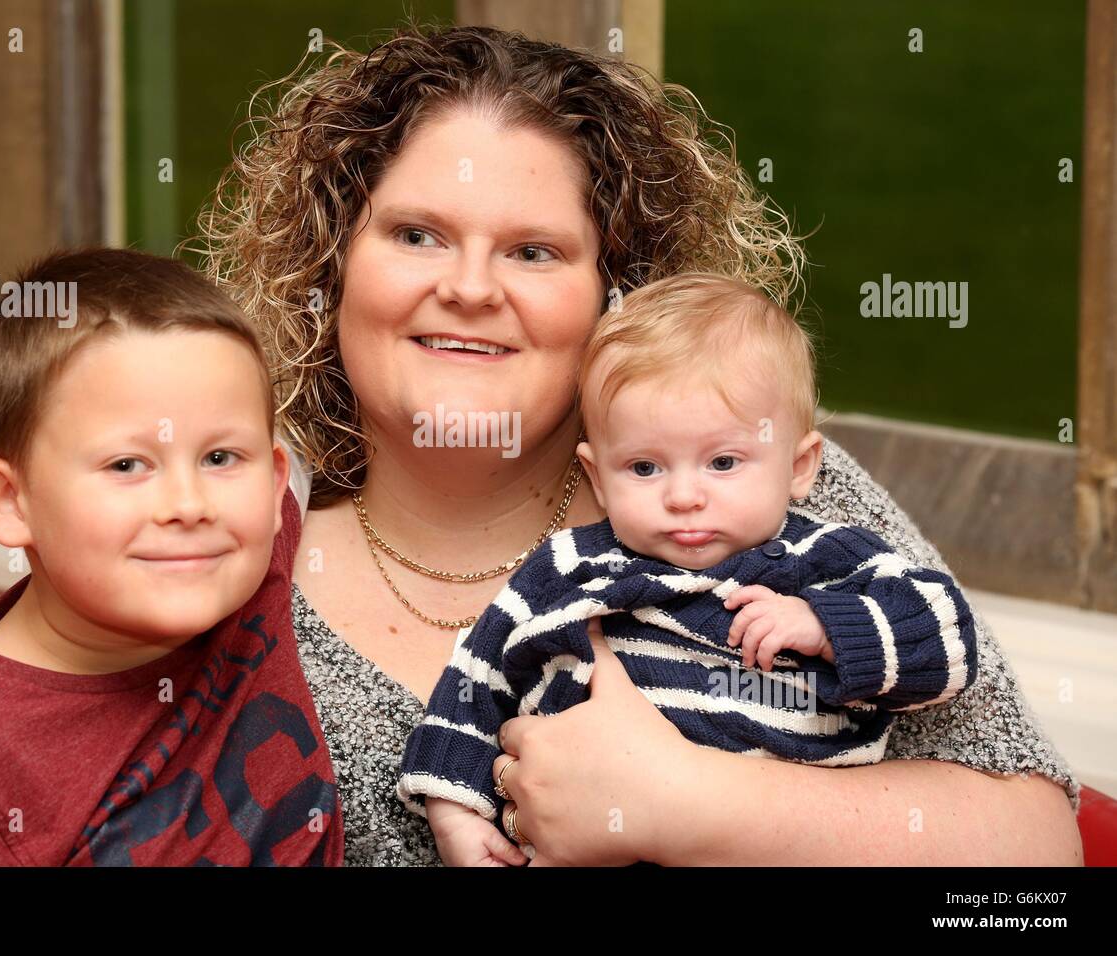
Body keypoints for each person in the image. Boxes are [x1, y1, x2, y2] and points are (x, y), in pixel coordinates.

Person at [196, 23, 1081, 866]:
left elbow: (1037, 858)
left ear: (617, 299)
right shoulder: (215, 550)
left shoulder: (759, 490)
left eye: (534, 251)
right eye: (416, 235)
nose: (468, 287)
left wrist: (688, 803)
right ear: (329, 265)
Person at [397, 273, 981, 865]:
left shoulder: (828, 562)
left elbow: (949, 639)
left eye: (722, 462)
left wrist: (827, 628)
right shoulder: (568, 568)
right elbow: (475, 680)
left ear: (800, 466)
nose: (683, 496)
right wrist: (455, 812)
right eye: (645, 468)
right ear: (598, 477)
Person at [0, 248, 344, 866]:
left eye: (221, 458)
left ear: (272, 482)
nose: (189, 504)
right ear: (9, 502)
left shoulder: (250, 557)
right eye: (127, 466)